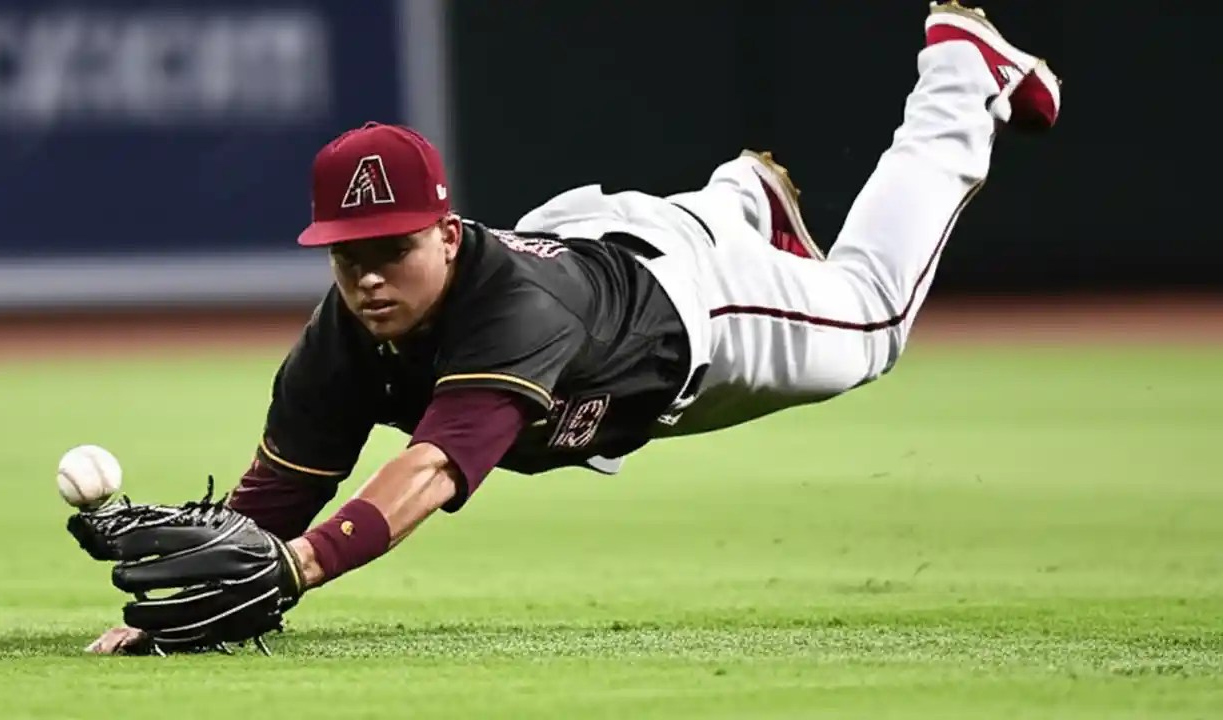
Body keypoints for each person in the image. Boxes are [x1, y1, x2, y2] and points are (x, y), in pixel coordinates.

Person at [86, 1, 1060, 653]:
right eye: (348, 255)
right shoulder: (339, 336)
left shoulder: (509, 310)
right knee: (633, 253)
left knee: (873, 319)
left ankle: (956, 77)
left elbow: (428, 469)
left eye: (392, 250)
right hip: (598, 242)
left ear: (445, 227)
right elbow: (279, 491)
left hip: (692, 309)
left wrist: (298, 570)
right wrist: (196, 602)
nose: (369, 277)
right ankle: (738, 198)